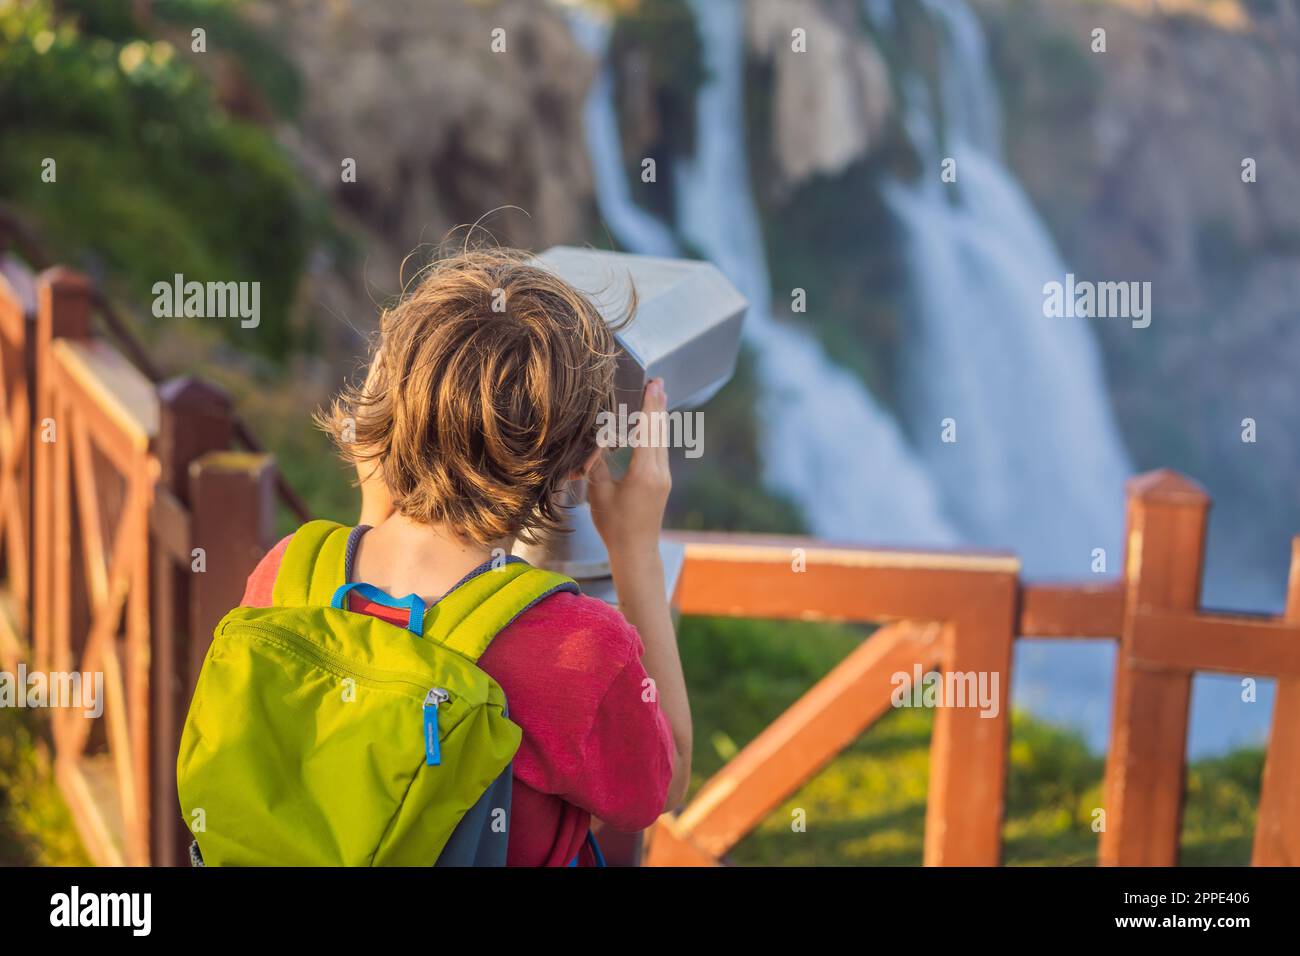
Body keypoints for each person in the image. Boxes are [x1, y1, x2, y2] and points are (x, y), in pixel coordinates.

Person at [239, 247, 692, 865]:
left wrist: (374, 517)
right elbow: (662, 784)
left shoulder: (288, 572)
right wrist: (637, 552)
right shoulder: (578, 650)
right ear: (584, 463)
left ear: (382, 407)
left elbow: (362, 660)